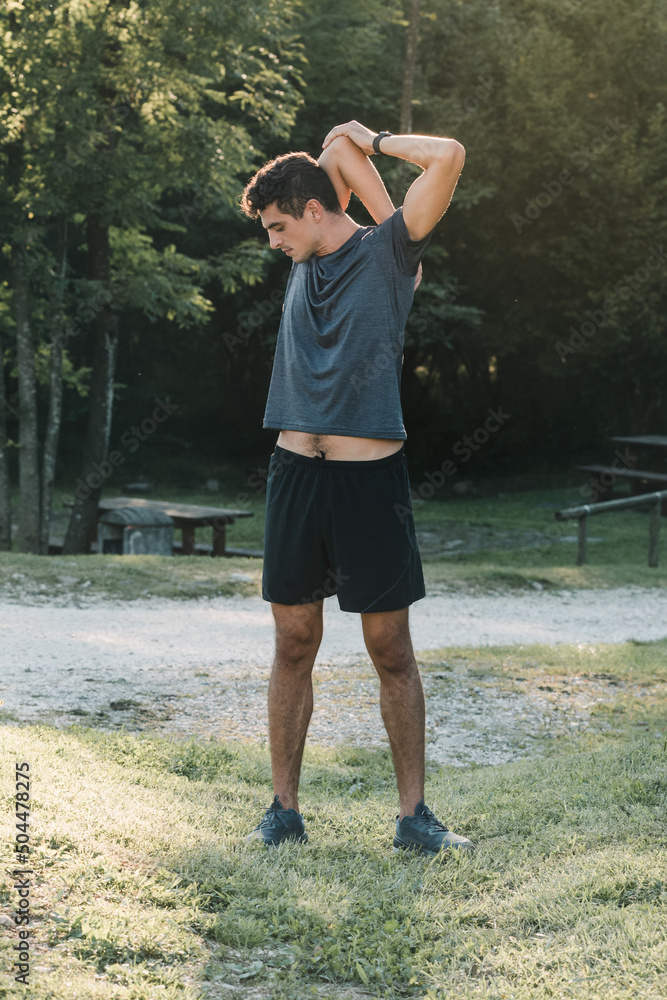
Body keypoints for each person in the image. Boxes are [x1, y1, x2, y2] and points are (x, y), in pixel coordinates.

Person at [239, 120, 474, 856]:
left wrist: (372, 139)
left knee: (390, 649)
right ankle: (282, 811)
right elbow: (332, 151)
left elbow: (442, 155)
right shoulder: (304, 260)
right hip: (295, 474)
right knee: (292, 640)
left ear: (311, 211)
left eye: (277, 225)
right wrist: (346, 147)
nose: (272, 240)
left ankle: (414, 818)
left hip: (370, 481)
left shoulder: (392, 255)